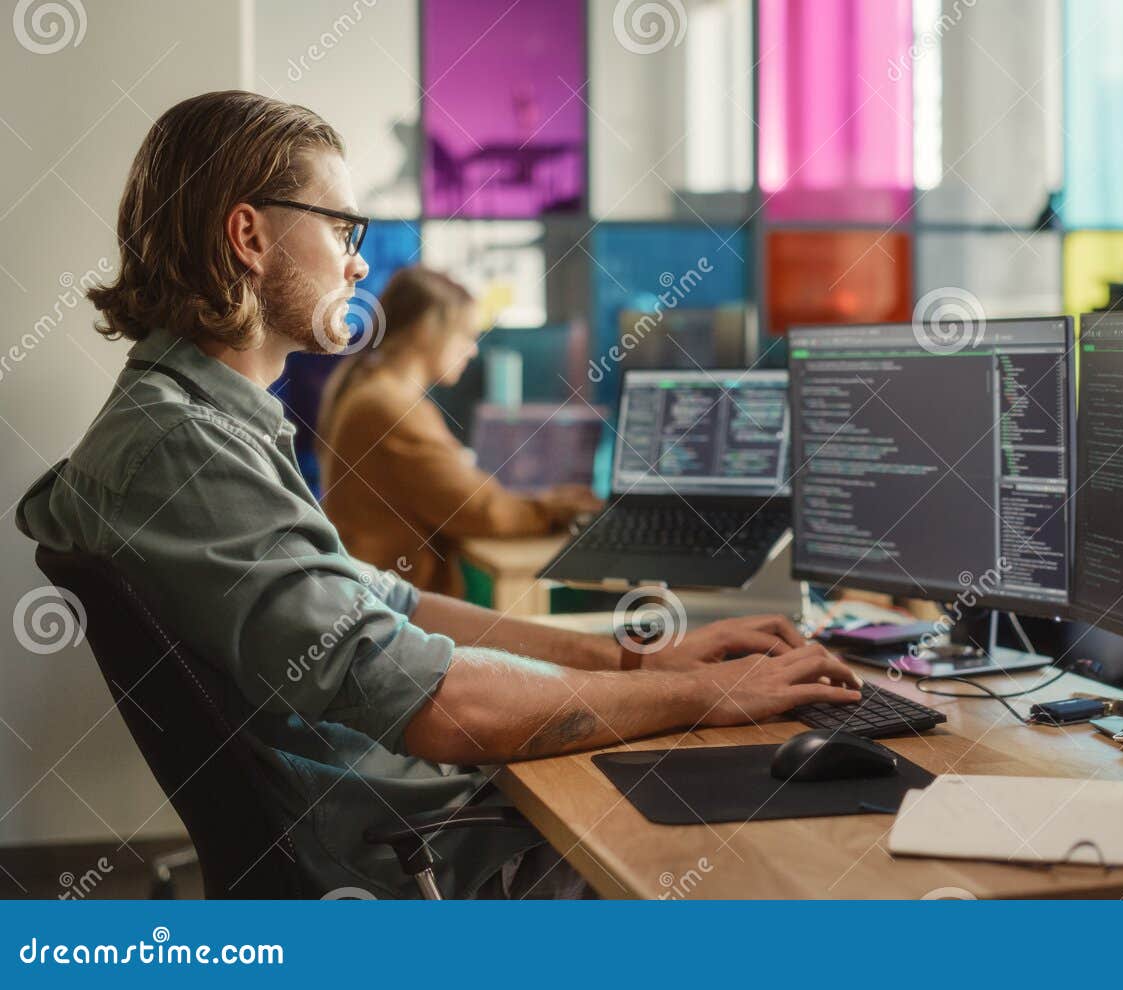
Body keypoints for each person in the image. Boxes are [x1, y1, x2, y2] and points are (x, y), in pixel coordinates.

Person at [16, 91, 860, 899]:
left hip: (420, 822)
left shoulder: (206, 425)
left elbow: (392, 602)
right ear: (249, 235)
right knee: (784, 846)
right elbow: (443, 708)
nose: (356, 259)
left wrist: (641, 659)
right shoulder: (182, 450)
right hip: (420, 862)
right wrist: (707, 695)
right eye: (342, 227)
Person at [317, 265, 600, 595]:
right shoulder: (390, 406)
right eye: (466, 334)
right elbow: (480, 512)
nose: (473, 349)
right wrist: (556, 508)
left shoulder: (364, 383)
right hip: (394, 606)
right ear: (427, 331)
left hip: (373, 592)